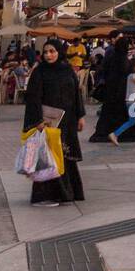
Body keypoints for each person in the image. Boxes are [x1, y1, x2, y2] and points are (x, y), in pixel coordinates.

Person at [24, 41, 86, 206]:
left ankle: (68, 192)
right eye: (46, 52)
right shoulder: (40, 72)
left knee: (64, 155)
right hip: (48, 122)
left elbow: (76, 93)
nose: (49, 55)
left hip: (67, 121)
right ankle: (44, 196)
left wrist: (80, 115)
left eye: (52, 51)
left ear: (59, 52)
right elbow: (33, 98)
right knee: (48, 157)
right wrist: (37, 120)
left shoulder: (67, 70)